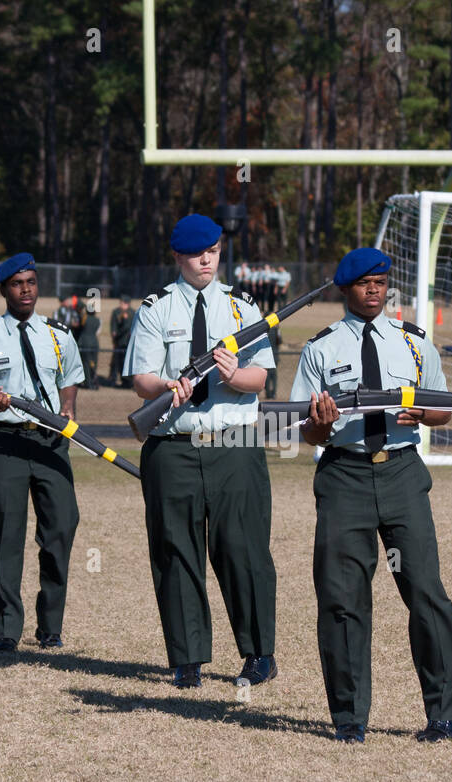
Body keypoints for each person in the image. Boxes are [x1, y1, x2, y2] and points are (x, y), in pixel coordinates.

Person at [290, 247, 452, 745]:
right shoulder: (321, 349)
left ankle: (446, 712)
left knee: (424, 591)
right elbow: (306, 432)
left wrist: (424, 415)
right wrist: (319, 426)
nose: (375, 290)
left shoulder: (414, 344)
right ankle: (349, 717)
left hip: (402, 474)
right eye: (365, 283)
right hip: (343, 476)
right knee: (342, 599)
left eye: (381, 282)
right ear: (346, 289)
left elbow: (444, 407)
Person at [123, 214, 278, 690]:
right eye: (196, 253)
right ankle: (187, 658)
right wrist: (167, 386)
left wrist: (231, 375)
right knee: (176, 551)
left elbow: (261, 377)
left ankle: (258, 655)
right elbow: (140, 379)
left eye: (212, 250)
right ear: (178, 257)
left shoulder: (243, 306)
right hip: (174, 445)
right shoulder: (155, 309)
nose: (206, 259)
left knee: (243, 550)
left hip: (235, 443)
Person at [0, 253, 84, 652]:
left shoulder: (59, 333)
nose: (26, 289)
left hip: (50, 441)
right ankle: (7, 629)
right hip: (5, 445)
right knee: (6, 536)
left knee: (61, 528)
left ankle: (51, 626)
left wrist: (69, 408)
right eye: (17, 283)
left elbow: (70, 379)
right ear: (3, 290)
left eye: (31, 281)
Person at [108, 295, 135, 387]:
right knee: (116, 361)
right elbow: (113, 324)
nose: (121, 304)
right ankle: (113, 378)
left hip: (127, 341)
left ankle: (127, 380)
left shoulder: (132, 313)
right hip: (119, 341)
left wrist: (126, 320)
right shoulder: (116, 312)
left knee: (126, 361)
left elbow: (129, 327)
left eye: (123, 303)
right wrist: (113, 333)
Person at [76, 294, 101, 389]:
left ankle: (88, 382)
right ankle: (94, 381)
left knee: (85, 363)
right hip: (95, 343)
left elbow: (79, 325)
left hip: (85, 343)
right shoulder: (98, 320)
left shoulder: (85, 319)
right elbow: (98, 331)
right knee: (94, 363)